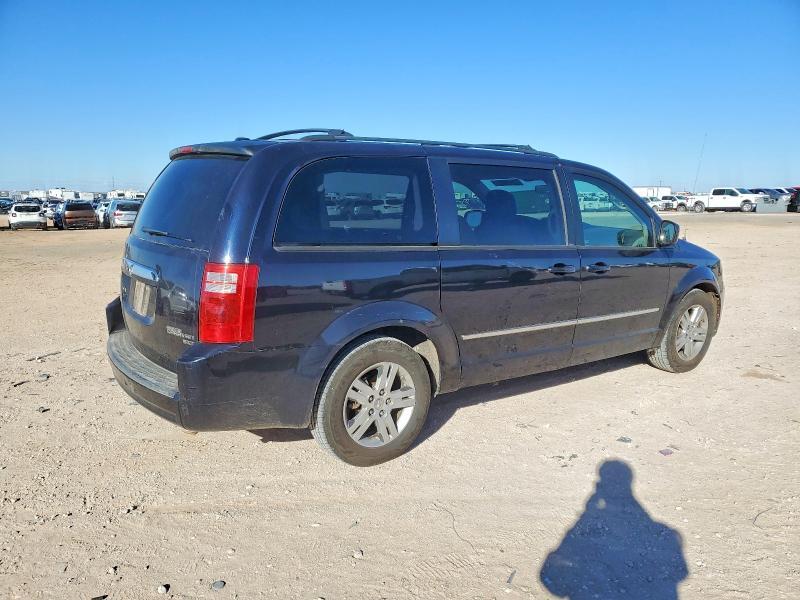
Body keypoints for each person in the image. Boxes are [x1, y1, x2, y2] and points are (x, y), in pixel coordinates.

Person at [540, 460, 688, 599]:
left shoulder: (589, 527)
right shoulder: (665, 535)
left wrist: (588, 514)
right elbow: (681, 572)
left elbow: (553, 582)